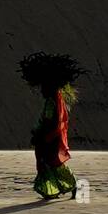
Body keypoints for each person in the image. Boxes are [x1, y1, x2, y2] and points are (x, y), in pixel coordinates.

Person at [21, 52, 82, 200]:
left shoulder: (54, 101)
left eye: (43, 88)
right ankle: (51, 190)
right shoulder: (53, 100)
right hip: (49, 136)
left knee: (53, 163)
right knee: (49, 163)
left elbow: (53, 122)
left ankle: (71, 186)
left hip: (51, 137)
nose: (41, 91)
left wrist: (42, 135)